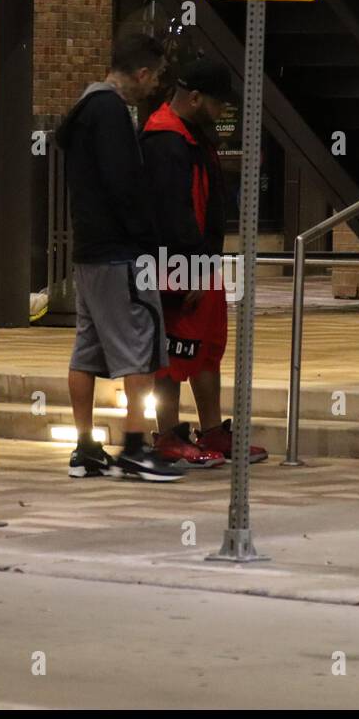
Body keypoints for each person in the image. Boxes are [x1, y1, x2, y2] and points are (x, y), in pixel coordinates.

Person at [54, 34, 185, 482]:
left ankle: (87, 446)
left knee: (87, 350)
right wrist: (146, 241)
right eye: (154, 80)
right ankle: (134, 446)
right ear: (142, 73)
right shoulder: (111, 113)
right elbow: (124, 185)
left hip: (90, 251)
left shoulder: (84, 111)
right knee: (140, 347)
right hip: (120, 253)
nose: (154, 90)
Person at [142, 58, 267, 467]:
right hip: (174, 263)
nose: (221, 112)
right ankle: (168, 434)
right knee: (173, 351)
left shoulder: (194, 136)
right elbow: (170, 212)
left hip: (200, 260)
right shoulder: (164, 140)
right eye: (216, 104)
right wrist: (189, 267)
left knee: (207, 347)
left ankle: (212, 430)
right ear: (194, 98)